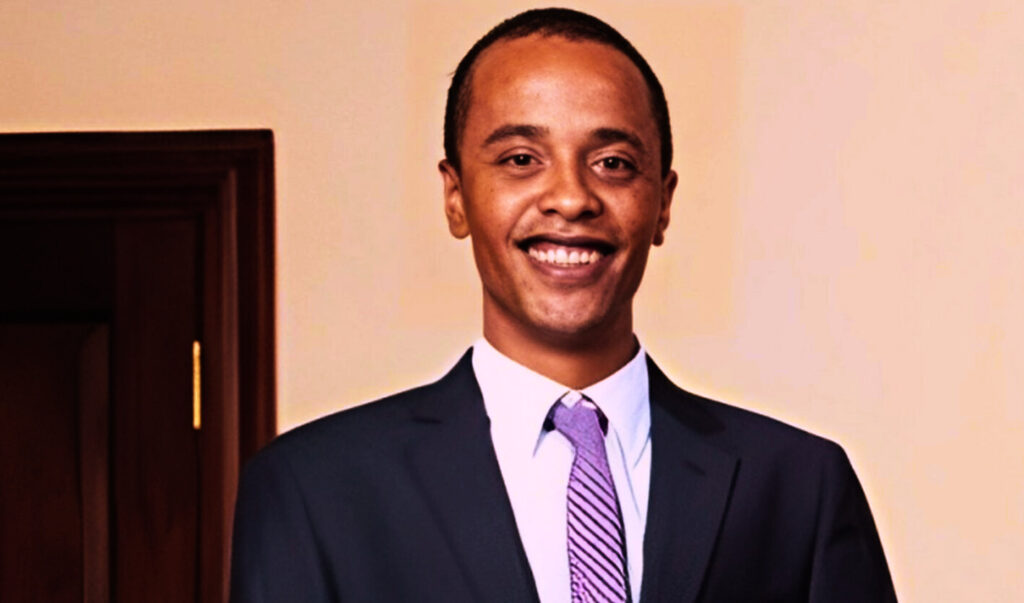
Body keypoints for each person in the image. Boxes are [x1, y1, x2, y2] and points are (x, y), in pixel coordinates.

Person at [229, 8, 897, 602]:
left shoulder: (799, 486)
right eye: (522, 158)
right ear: (455, 197)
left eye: (612, 162)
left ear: (663, 203)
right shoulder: (314, 489)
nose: (572, 198)